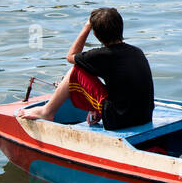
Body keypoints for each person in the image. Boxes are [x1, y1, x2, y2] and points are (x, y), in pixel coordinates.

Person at [20, 8, 154, 129]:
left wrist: (87, 27)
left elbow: (70, 56)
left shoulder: (101, 55)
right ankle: (97, 108)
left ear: (95, 34)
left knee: (77, 69)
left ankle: (46, 112)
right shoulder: (137, 51)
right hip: (144, 117)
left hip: (118, 120)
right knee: (93, 70)